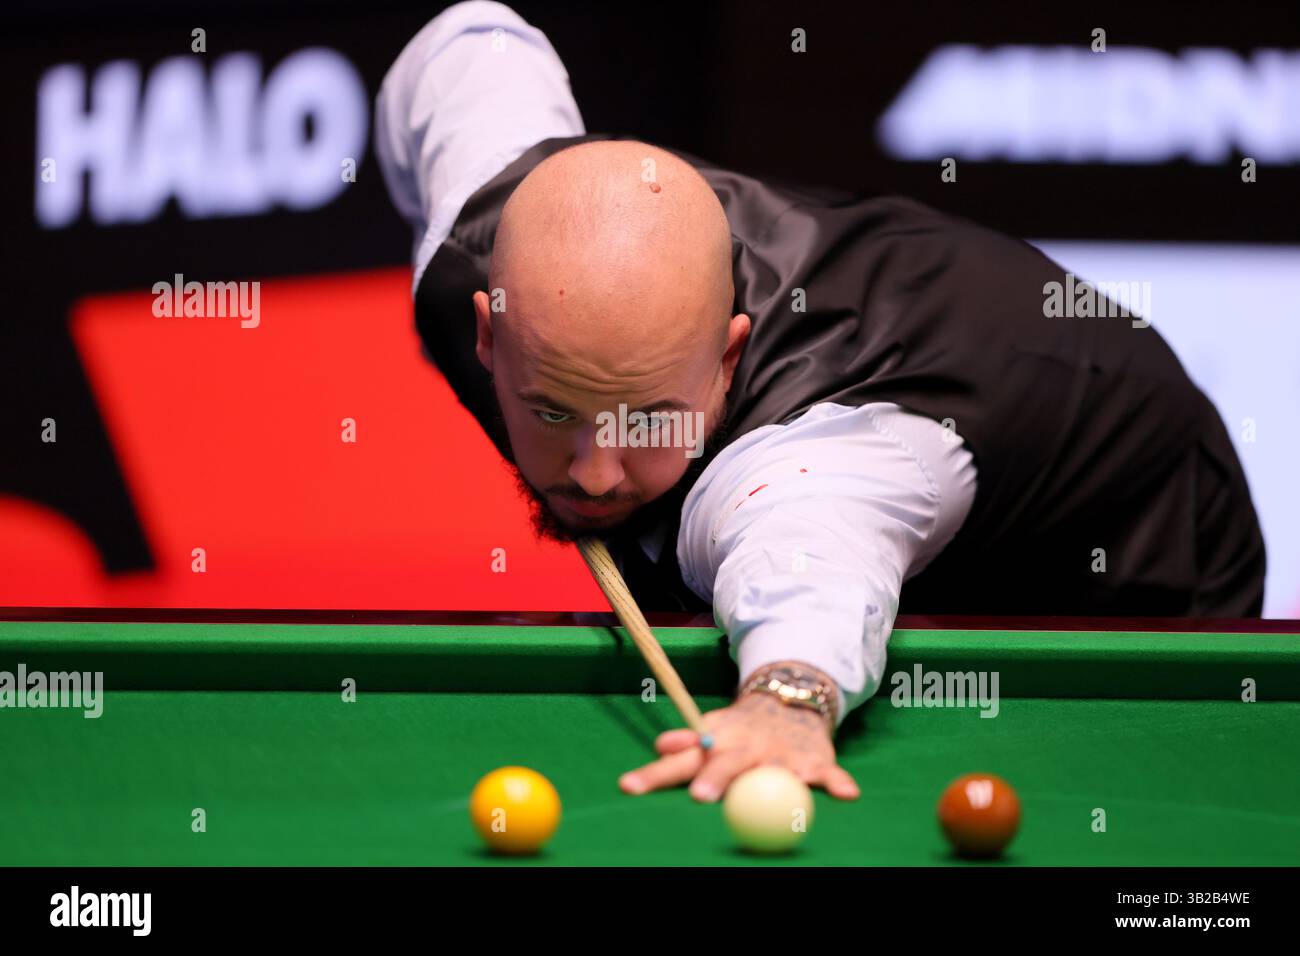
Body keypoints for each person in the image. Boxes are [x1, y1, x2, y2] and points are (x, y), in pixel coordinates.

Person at [375, 1, 1266, 803]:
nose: (596, 474)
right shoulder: (472, 250)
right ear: (489, 332)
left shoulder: (804, 463)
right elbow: (470, 42)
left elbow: (812, 563)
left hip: (1129, 526)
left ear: (728, 357)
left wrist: (788, 695)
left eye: (646, 420)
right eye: (555, 410)